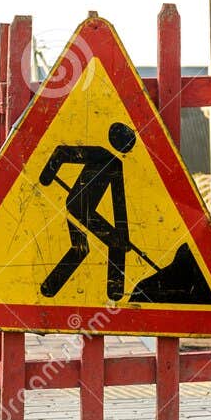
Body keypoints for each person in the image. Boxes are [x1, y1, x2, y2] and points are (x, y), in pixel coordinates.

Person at [38, 122, 137, 300]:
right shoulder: (101, 155)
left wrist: (124, 235)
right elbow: (61, 152)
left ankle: (48, 289)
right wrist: (46, 176)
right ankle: (115, 291)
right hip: (79, 209)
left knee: (80, 249)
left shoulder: (113, 163)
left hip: (78, 209)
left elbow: (118, 201)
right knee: (115, 243)